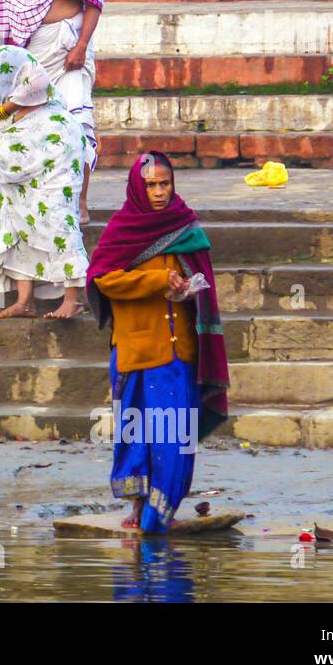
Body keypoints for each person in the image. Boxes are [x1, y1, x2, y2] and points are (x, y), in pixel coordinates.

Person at [85, 151, 230, 533]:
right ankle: (138, 510)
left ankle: (160, 512)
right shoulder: (122, 230)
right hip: (135, 350)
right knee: (136, 435)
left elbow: (205, 287)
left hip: (177, 354)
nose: (159, 192)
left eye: (165, 183)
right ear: (137, 187)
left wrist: (188, 290)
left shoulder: (186, 227)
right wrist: (155, 282)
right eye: (151, 185)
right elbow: (103, 280)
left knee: (175, 439)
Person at [0, 22, 89, 320]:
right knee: (11, 218)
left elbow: (36, 85)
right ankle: (25, 300)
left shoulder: (7, 56)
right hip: (21, 160)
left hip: (52, 149)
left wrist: (1, 112)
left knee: (57, 215)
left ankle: (73, 298)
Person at [0, 0, 103, 224]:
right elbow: (7, 10)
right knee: (33, 130)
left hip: (70, 52)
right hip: (32, 59)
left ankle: (81, 201)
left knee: (79, 123)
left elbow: (94, 1)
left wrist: (82, 45)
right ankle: (40, 201)